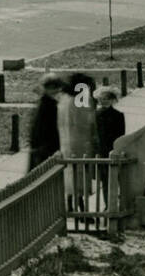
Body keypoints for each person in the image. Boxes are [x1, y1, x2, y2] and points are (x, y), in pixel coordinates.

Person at [57, 72, 98, 211]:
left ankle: (69, 203)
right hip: (81, 143)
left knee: (70, 174)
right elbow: (89, 122)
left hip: (66, 143)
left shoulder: (64, 100)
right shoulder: (82, 102)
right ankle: (81, 206)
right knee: (81, 176)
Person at [94, 86, 126, 208]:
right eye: (102, 98)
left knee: (115, 179)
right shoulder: (95, 115)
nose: (105, 100)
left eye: (108, 98)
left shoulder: (118, 116)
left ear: (113, 100)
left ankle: (114, 203)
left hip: (113, 150)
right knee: (105, 180)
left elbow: (121, 135)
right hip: (101, 151)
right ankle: (108, 204)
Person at [28, 73, 65, 170]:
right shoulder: (50, 105)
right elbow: (51, 129)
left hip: (40, 148)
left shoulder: (42, 103)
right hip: (46, 149)